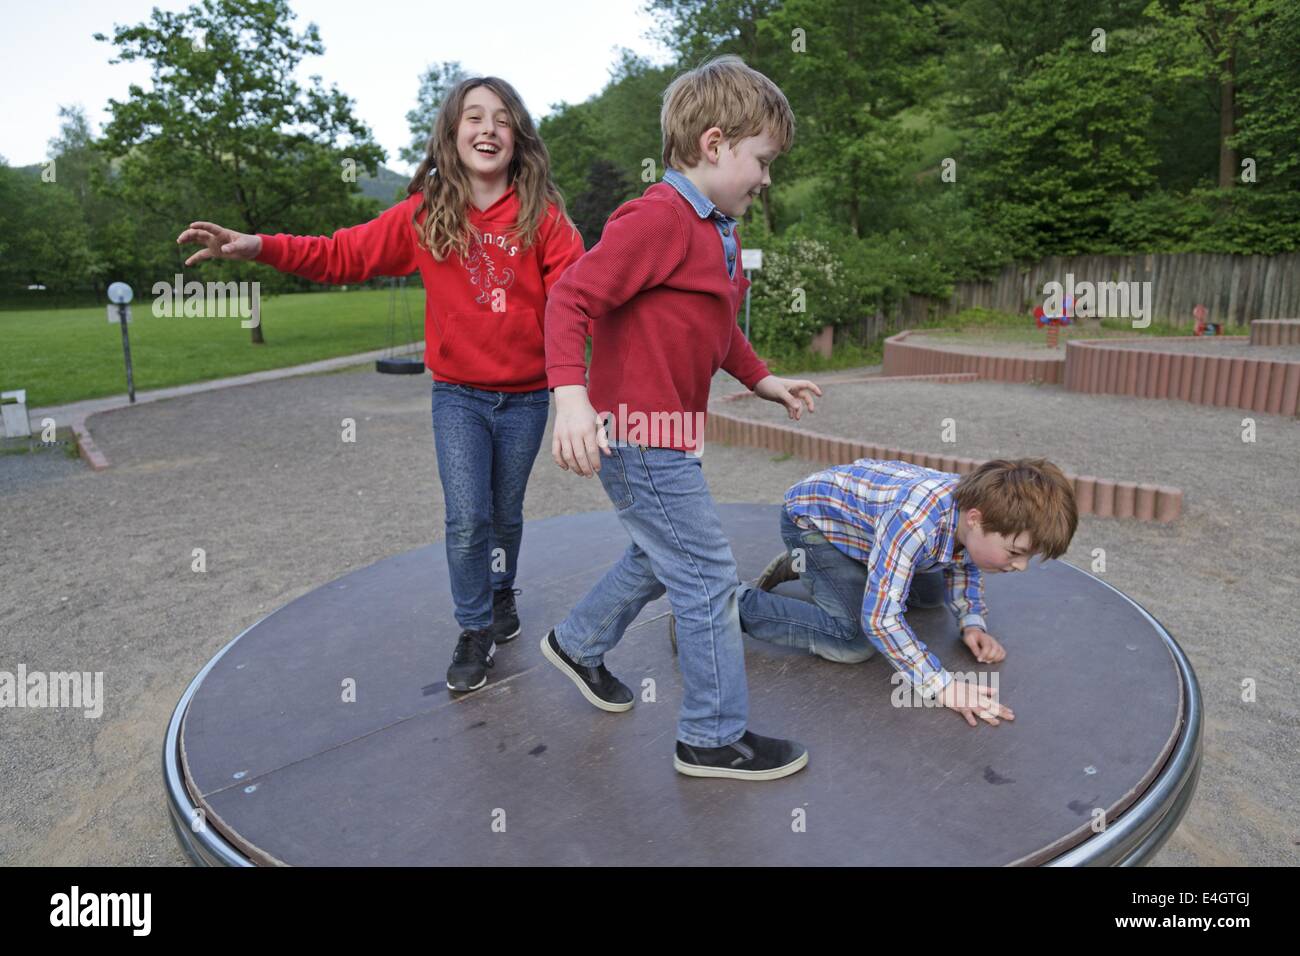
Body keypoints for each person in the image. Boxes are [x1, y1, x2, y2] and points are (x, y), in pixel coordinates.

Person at [177, 77, 585, 693]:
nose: (488, 128)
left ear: (518, 137)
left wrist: (569, 391)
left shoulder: (544, 219)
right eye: (473, 117)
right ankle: (475, 629)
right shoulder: (426, 215)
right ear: (452, 135)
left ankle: (502, 594)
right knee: (467, 518)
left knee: (504, 515)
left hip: (526, 398)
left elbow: (573, 303)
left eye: (502, 119)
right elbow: (341, 254)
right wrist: (257, 246)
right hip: (460, 396)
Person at [541, 55, 821, 781]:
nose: (767, 177)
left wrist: (764, 381)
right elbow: (570, 299)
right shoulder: (658, 218)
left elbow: (719, 326)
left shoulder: (717, 229)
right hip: (637, 435)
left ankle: (578, 642)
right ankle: (710, 736)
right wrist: (570, 396)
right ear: (715, 143)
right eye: (762, 160)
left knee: (659, 556)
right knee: (704, 577)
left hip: (670, 435)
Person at [737, 457, 1079, 727]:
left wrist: (971, 620)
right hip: (812, 525)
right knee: (853, 640)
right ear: (976, 519)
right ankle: (734, 603)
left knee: (932, 596)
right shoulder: (915, 523)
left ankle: (825, 569)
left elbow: (965, 560)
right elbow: (881, 619)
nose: (1020, 566)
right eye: (1015, 552)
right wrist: (942, 686)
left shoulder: (973, 517)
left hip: (865, 530)